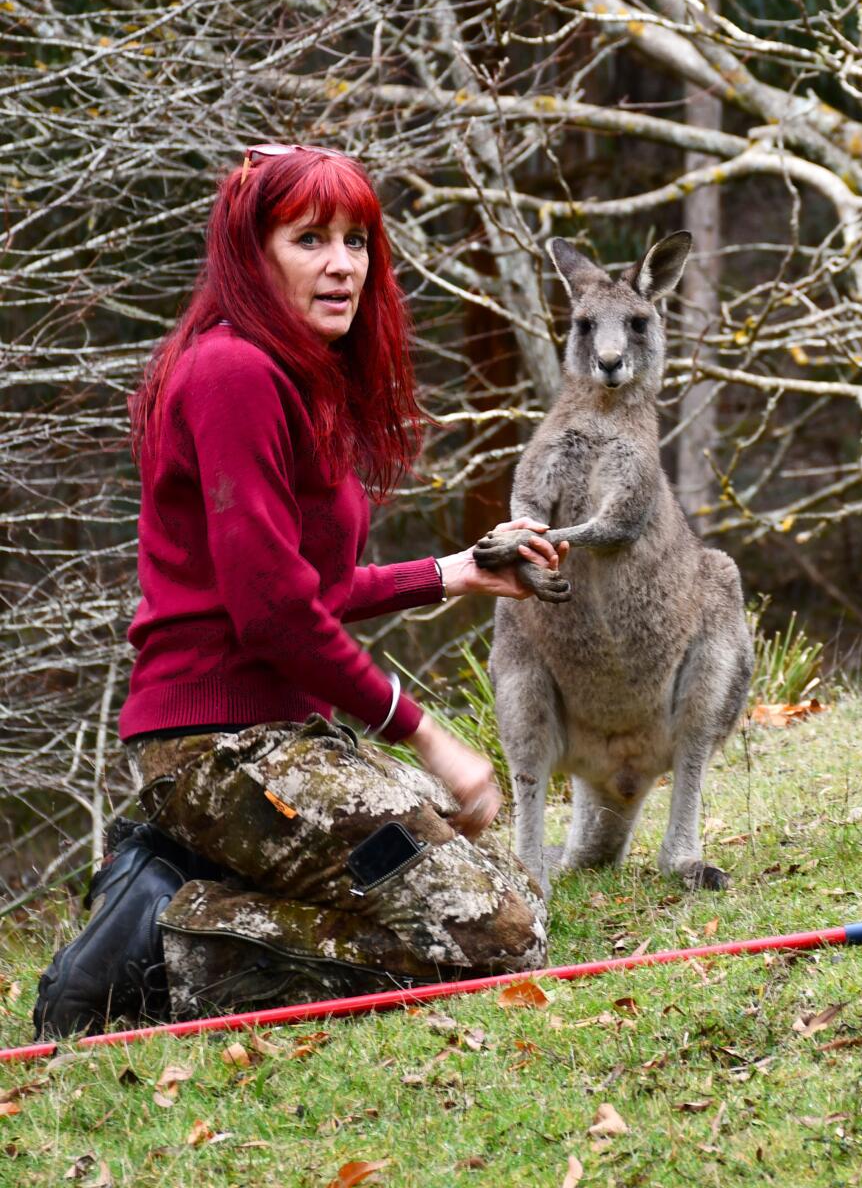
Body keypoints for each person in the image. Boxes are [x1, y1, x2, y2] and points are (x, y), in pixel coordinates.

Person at [33, 144, 566, 1038]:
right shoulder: (232, 373)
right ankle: (160, 945)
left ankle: (193, 875)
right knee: (497, 937)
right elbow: (274, 615)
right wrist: (425, 733)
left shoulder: (288, 376)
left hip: (278, 741)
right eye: (310, 239)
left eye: (357, 241)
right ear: (254, 255)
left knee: (500, 882)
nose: (342, 265)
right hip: (219, 751)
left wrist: (453, 574)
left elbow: (300, 586)